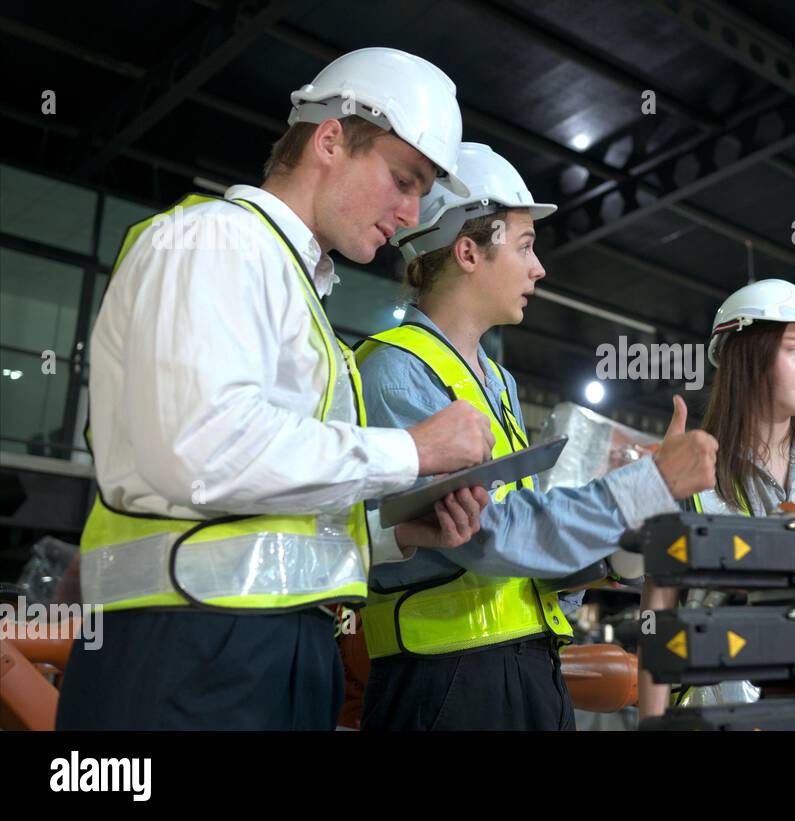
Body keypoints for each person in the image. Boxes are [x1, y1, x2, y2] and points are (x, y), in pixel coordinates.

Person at [57, 48, 496, 731]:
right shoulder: (211, 243)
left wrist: (392, 530)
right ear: (331, 139)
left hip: (269, 652)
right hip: (184, 652)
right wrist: (412, 451)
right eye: (403, 180)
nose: (411, 214)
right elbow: (204, 452)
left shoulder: (293, 289)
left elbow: (261, 527)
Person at [354, 142, 718, 730]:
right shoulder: (394, 369)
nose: (539, 268)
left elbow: (531, 549)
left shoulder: (496, 382)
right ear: (469, 252)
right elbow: (489, 535)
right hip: (445, 683)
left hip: (530, 669)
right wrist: (646, 485)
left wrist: (619, 544)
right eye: (525, 246)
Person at [637, 278, 795, 720]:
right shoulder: (691, 471)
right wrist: (651, 724)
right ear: (747, 355)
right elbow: (657, 617)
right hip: (713, 711)